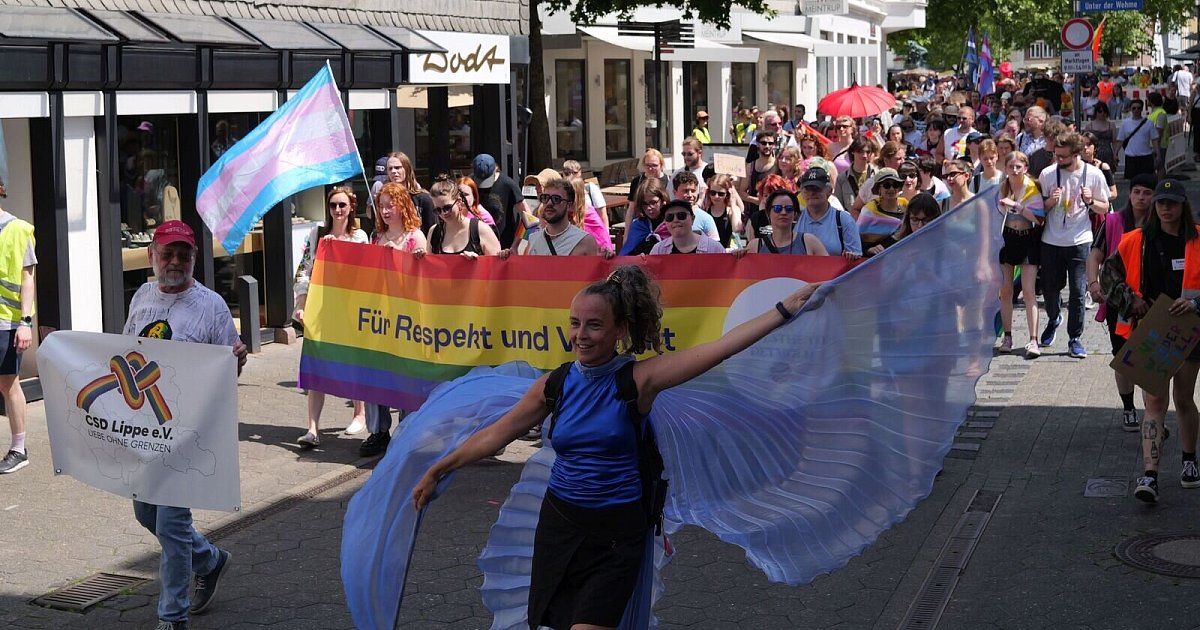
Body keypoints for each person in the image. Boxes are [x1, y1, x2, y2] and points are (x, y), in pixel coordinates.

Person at [411, 266, 824, 630]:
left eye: (593, 325)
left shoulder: (638, 381)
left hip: (616, 537)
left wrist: (783, 310)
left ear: (620, 330)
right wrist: (439, 468)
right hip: (561, 527)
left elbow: (720, 349)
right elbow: (495, 435)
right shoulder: (555, 385)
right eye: (575, 323)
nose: (580, 335)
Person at [122, 220, 248, 629]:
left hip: (187, 433)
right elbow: (126, 353)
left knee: (172, 526)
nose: (175, 261)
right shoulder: (141, 296)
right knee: (146, 513)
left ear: (195, 258)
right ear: (152, 257)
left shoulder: (211, 305)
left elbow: (227, 370)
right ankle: (210, 561)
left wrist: (237, 359)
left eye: (184, 254)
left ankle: (172, 618)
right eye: (168, 253)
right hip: (147, 429)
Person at [1100, 179, 1200, 503]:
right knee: (1155, 403)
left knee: (1184, 398)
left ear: (1183, 206)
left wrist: (1196, 304)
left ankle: (1189, 461)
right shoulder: (1136, 241)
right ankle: (1150, 475)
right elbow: (1108, 275)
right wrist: (1132, 301)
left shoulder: (1198, 240)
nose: (1165, 208)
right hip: (1153, 330)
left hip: (1189, 330)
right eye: (1161, 202)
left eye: (1171, 202)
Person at [294, 187, 370, 446]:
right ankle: (312, 429)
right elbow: (303, 272)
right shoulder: (318, 235)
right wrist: (302, 305)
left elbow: (368, 276)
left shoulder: (360, 238)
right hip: (322, 307)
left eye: (342, 205)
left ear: (351, 208)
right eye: (333, 205)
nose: (337, 210)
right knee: (317, 365)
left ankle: (359, 412)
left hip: (350, 309)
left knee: (354, 361)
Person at [1088, 174, 1156, 432]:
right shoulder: (1113, 221)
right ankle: (1129, 408)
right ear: (1130, 194)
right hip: (1119, 302)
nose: (1141, 197)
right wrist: (1094, 285)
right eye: (1137, 192)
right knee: (1124, 356)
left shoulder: (1160, 223)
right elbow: (1095, 255)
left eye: (1146, 193)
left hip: (1151, 302)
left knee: (1148, 359)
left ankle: (1153, 411)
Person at [1038, 132, 1110, 359]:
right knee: (1050, 289)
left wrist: (1090, 201)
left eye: (1063, 157)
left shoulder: (1094, 175)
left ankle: (1074, 338)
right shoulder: (1048, 174)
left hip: (1081, 240)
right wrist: (1050, 200)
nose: (1058, 160)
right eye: (1056, 155)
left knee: (1079, 291)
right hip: (1051, 241)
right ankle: (1053, 318)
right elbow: (1039, 209)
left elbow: (1105, 207)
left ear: (1077, 153)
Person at [996, 151, 1046, 358]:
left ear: (1025, 168)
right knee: (1006, 290)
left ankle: (1033, 340)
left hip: (1027, 238)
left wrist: (1016, 205)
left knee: (1028, 292)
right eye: (1011, 167)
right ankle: (1007, 336)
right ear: (1006, 168)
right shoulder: (1002, 187)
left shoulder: (1032, 188)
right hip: (1006, 239)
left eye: (1019, 167)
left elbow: (1039, 218)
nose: (1015, 171)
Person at [0, 200, 35, 474]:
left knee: (8, 384)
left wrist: (25, 322)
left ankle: (19, 449)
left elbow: (27, 278)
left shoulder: (19, 229)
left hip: (6, 321)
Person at [517, 178, 601, 256]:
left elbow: (596, 270)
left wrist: (606, 259)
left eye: (556, 199)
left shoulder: (584, 241)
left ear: (569, 205)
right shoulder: (533, 239)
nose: (549, 203)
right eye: (545, 198)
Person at [794, 167, 862, 259]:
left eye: (816, 188)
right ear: (801, 192)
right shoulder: (794, 218)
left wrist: (852, 256)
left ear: (829, 191)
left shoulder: (844, 220)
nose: (811, 193)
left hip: (836, 273)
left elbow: (856, 261)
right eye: (807, 189)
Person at [429, 175, 502, 258]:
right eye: (438, 210)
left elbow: (497, 266)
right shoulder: (434, 232)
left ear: (459, 201)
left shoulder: (480, 230)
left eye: (447, 207)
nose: (443, 213)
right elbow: (429, 268)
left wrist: (479, 262)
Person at [740, 190, 828, 256]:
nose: (783, 212)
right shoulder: (755, 246)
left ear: (795, 214)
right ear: (768, 213)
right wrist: (736, 257)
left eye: (789, 208)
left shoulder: (809, 242)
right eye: (777, 208)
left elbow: (830, 269)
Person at [473, 153, 530, 250]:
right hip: (476, 245)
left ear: (495, 169)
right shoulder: (469, 184)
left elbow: (528, 217)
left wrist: (515, 245)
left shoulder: (508, 184)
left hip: (504, 247)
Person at [380, 152, 437, 232]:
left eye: (397, 167)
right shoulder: (384, 199)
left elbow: (432, 230)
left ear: (407, 169)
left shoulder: (424, 199)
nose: (393, 171)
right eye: (390, 168)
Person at [857, 168, 908, 257]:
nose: (891, 189)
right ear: (878, 189)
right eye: (887, 185)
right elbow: (856, 240)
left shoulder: (907, 207)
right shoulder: (869, 211)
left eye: (895, 185)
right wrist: (868, 250)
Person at [648, 200, 726, 254]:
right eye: (669, 217)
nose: (675, 220)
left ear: (693, 219)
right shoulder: (658, 250)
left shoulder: (715, 249)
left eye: (681, 215)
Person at [618, 178, 669, 256]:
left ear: (663, 200)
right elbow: (626, 257)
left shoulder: (672, 224)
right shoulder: (638, 225)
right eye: (644, 204)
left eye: (653, 202)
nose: (649, 208)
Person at [738, 131, 779, 219]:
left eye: (770, 143)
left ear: (774, 145)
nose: (767, 146)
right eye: (763, 143)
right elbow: (742, 192)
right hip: (754, 214)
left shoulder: (778, 165)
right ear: (758, 144)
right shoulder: (750, 167)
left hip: (775, 212)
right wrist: (756, 201)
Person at [669, 171, 720, 241]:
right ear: (675, 192)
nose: (690, 195)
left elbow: (715, 248)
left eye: (693, 191)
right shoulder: (668, 218)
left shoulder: (706, 218)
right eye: (685, 191)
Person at [1117, 99, 1158, 182]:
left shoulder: (1149, 123)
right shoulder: (1125, 123)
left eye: (1138, 108)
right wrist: (1115, 153)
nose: (1136, 110)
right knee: (1131, 182)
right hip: (1131, 157)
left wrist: (1158, 154)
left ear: (1141, 109)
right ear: (1131, 109)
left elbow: (1155, 140)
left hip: (1146, 157)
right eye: (1134, 108)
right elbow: (1120, 140)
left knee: (1147, 181)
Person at [700, 173, 743, 249]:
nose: (716, 197)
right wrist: (701, 199)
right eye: (713, 193)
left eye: (721, 194)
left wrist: (733, 204)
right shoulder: (705, 209)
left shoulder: (731, 210)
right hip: (709, 253)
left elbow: (737, 229)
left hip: (726, 253)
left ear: (727, 194)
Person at [835, 137, 877, 216]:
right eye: (860, 151)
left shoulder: (877, 175)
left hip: (873, 222)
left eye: (868, 152)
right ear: (853, 152)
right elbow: (838, 207)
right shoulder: (842, 178)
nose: (864, 155)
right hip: (849, 222)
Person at [1081, 131, 1118, 201]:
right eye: (1082, 145)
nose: (1085, 147)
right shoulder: (1076, 167)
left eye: (1089, 144)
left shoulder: (1103, 167)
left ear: (1095, 147)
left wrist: (1094, 197)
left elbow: (1114, 193)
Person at [1084, 101, 1118, 169]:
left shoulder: (1111, 125)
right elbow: (1085, 142)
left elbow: (1114, 142)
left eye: (1104, 111)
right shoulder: (1089, 126)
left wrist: (1115, 154)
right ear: (1096, 112)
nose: (1103, 113)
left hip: (1108, 154)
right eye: (1100, 111)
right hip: (1094, 153)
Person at [1147, 92, 1170, 180]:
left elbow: (1159, 131)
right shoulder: (1155, 112)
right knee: (1155, 165)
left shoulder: (1160, 113)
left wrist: (1155, 146)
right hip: (1154, 143)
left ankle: (1160, 183)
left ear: (1151, 102)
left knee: (1159, 165)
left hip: (1159, 144)